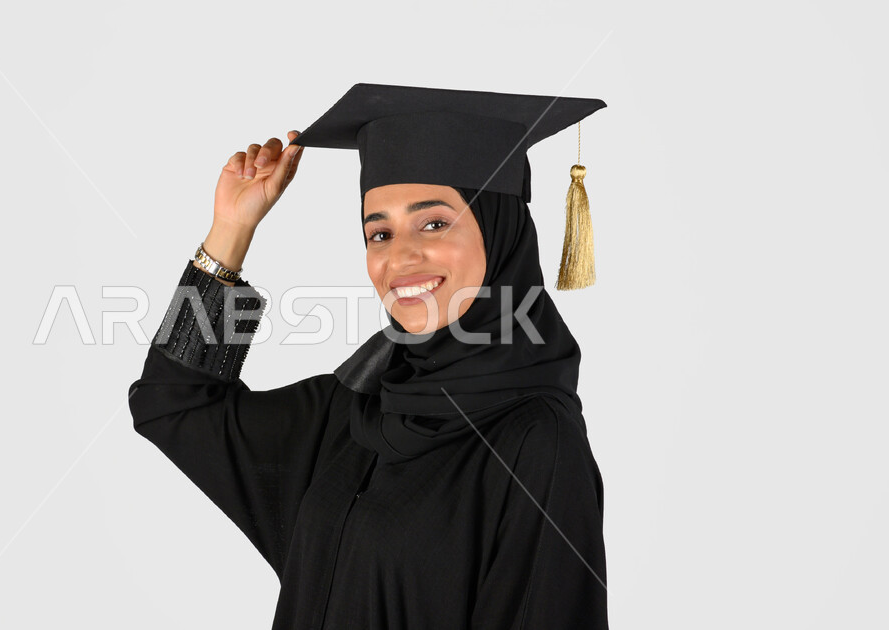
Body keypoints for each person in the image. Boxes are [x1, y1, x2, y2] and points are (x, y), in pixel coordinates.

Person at [128, 83, 609, 629]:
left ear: (501, 234)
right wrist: (232, 229)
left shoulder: (537, 442)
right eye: (378, 233)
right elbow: (173, 405)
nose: (400, 256)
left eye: (434, 223)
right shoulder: (359, 406)